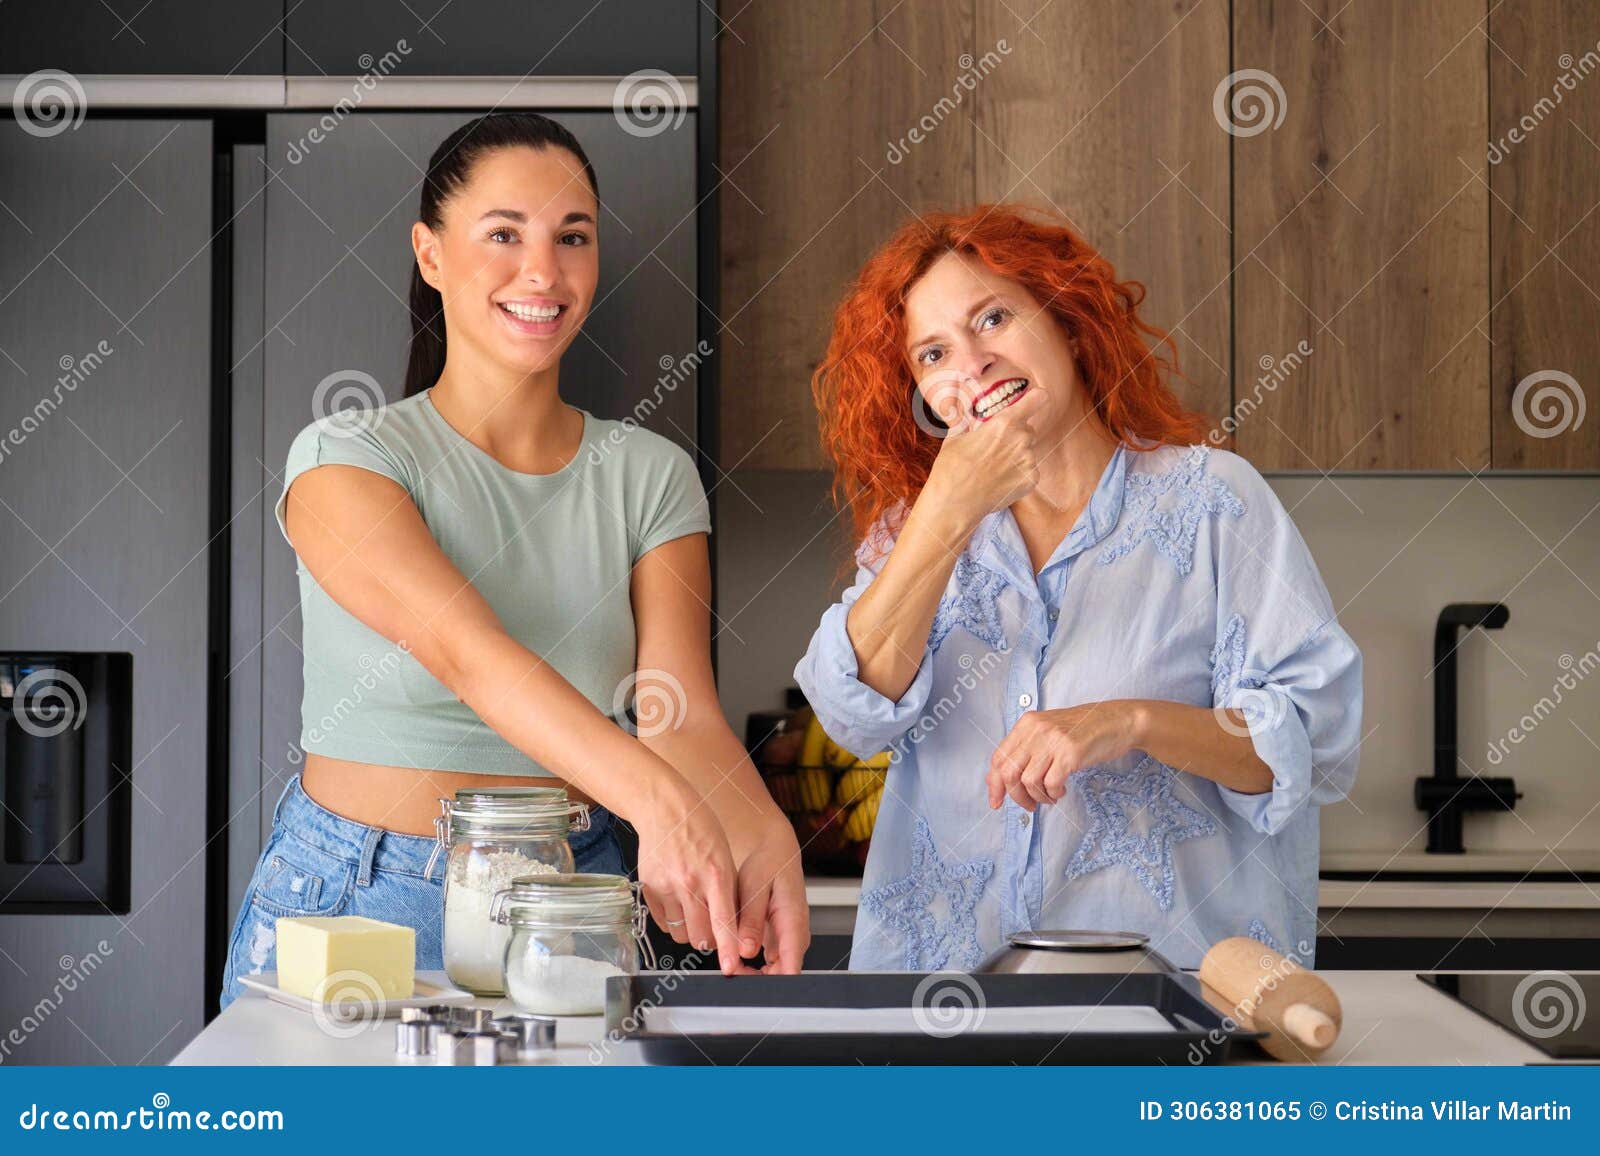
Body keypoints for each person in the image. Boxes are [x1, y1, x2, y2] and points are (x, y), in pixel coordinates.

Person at [221, 113, 807, 1008]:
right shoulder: (345, 458)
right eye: (503, 234)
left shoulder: (649, 475)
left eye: (572, 238)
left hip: (580, 903)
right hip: (366, 902)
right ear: (431, 254)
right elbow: (472, 657)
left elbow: (673, 711)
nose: (543, 271)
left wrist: (757, 818)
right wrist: (664, 803)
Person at [795, 204, 1361, 971]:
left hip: (1164, 1012)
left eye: (992, 318)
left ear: (1066, 319)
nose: (971, 364)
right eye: (932, 354)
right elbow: (850, 711)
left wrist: (1128, 721)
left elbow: (1310, 744)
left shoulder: (1213, 501)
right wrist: (947, 512)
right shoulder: (915, 530)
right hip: (937, 1011)